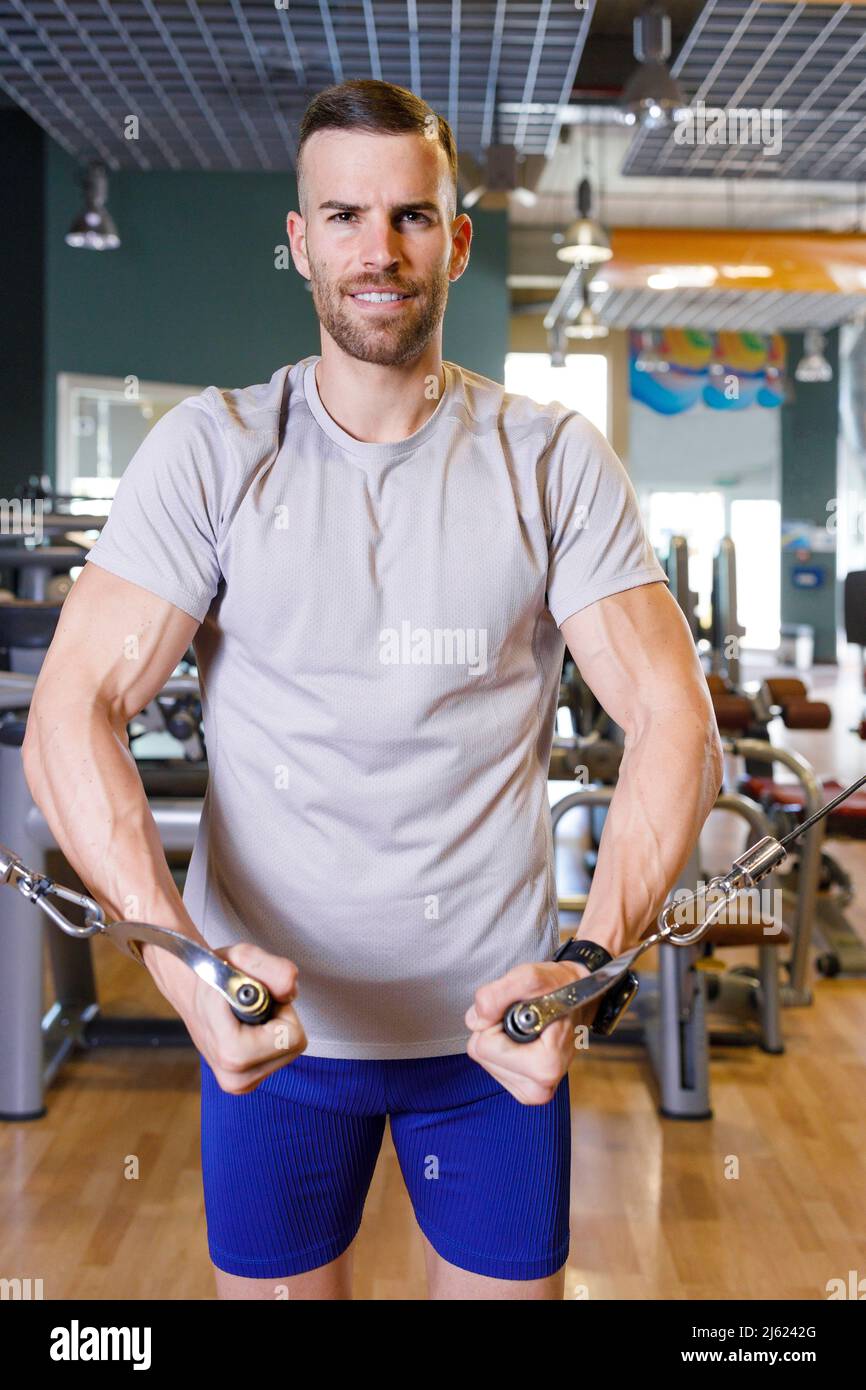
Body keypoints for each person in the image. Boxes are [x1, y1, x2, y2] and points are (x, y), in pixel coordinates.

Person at [23, 79, 724, 1302]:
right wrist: (185, 969)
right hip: (275, 1038)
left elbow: (675, 718)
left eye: (409, 217)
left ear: (454, 238)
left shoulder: (551, 459)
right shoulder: (214, 451)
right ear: (298, 242)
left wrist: (589, 960)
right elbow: (69, 710)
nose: (377, 251)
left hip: (496, 1031)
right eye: (342, 216)